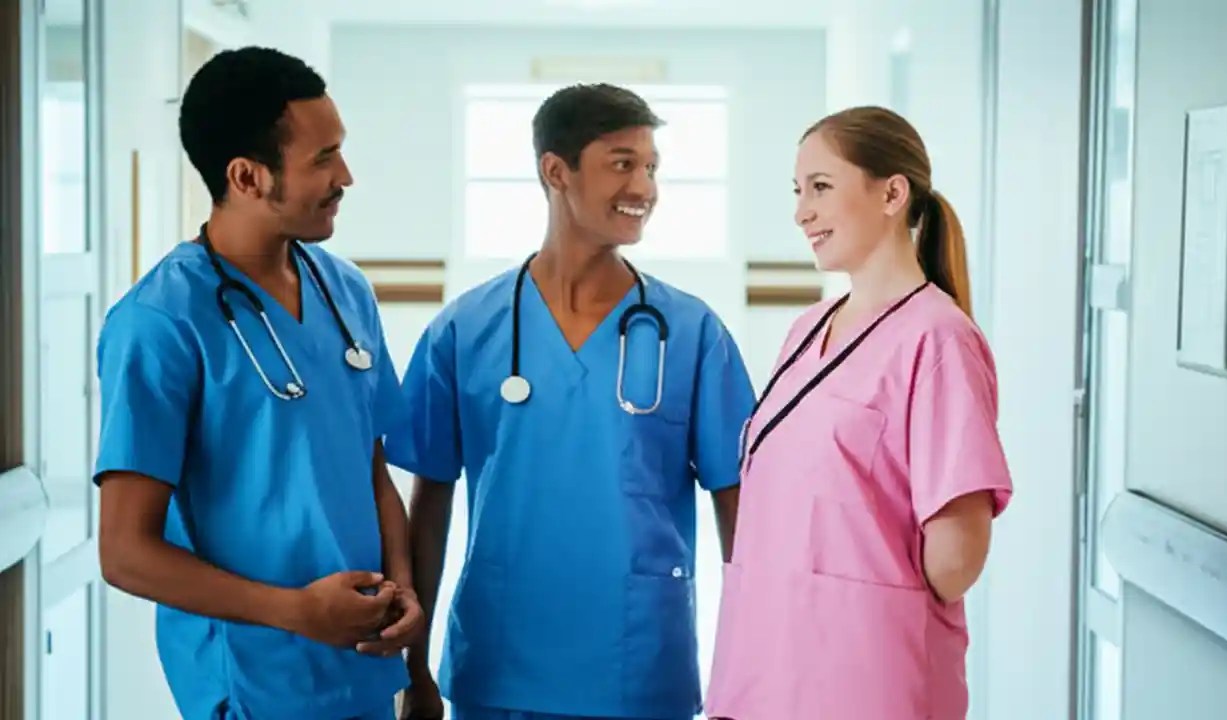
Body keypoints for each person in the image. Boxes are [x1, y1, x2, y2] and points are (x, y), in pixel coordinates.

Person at [386, 83, 756, 720]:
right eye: (622, 163)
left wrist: (756, 665)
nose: (644, 187)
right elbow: (430, 502)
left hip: (638, 665)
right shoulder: (464, 330)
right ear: (555, 171)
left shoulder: (692, 333)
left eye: (651, 167)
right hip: (501, 665)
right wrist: (413, 667)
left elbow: (739, 503)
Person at [93, 47, 424, 720]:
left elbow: (371, 467)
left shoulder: (346, 291)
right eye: (323, 159)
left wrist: (407, 599)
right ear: (247, 176)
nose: (346, 177)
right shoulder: (160, 322)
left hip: (363, 671)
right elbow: (125, 553)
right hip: (254, 682)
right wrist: (296, 612)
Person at [704, 106, 1014, 720]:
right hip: (766, 671)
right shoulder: (807, 329)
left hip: (866, 680)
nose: (802, 212)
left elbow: (955, 562)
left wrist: (854, 597)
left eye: (820, 187)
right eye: (798, 192)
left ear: (892, 193)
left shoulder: (938, 339)